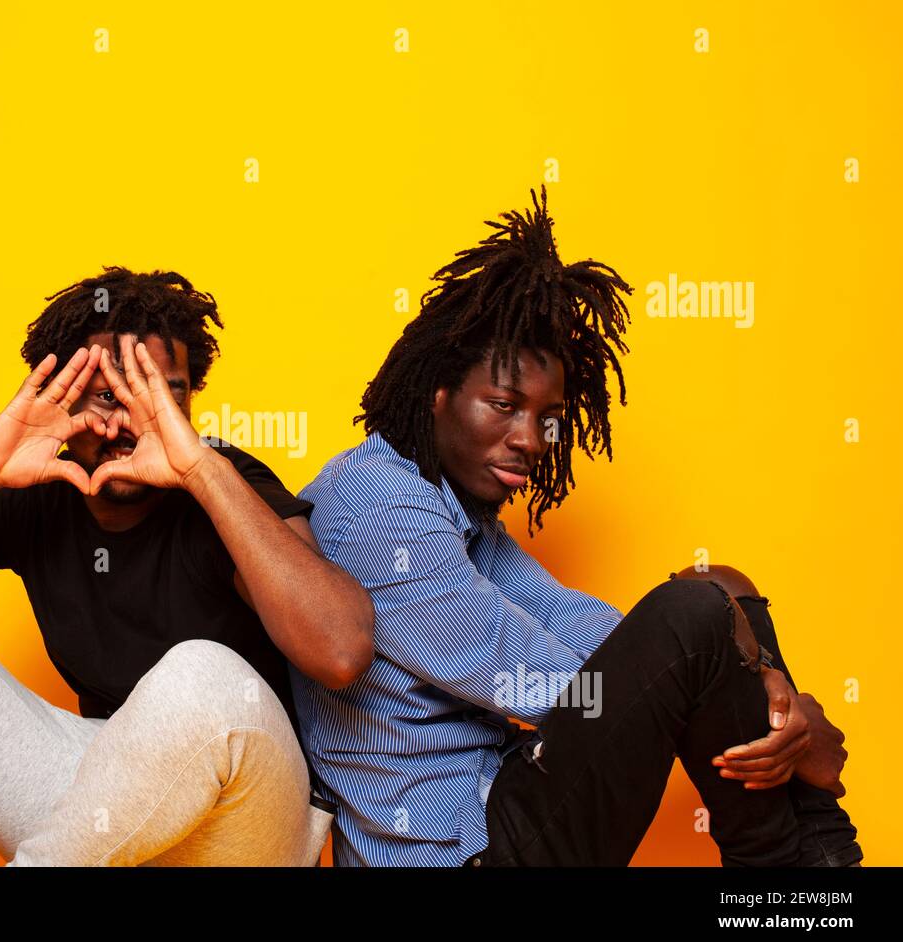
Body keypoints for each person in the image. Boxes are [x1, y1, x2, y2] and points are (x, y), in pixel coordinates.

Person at [290, 187, 862, 867]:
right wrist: (772, 706)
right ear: (436, 395)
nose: (530, 439)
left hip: (504, 811)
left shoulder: (456, 514)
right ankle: (787, 872)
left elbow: (587, 629)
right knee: (695, 615)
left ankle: (814, 872)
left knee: (718, 590)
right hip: (466, 855)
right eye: (503, 406)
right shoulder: (380, 508)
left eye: (546, 418)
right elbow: (565, 684)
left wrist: (759, 673)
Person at [0, 266, 373, 867]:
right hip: (104, 820)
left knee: (201, 671)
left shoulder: (226, 483)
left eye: (165, 394)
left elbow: (340, 654)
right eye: (112, 394)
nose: (137, 421)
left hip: (243, 821)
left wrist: (203, 474)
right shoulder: (38, 493)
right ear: (60, 395)